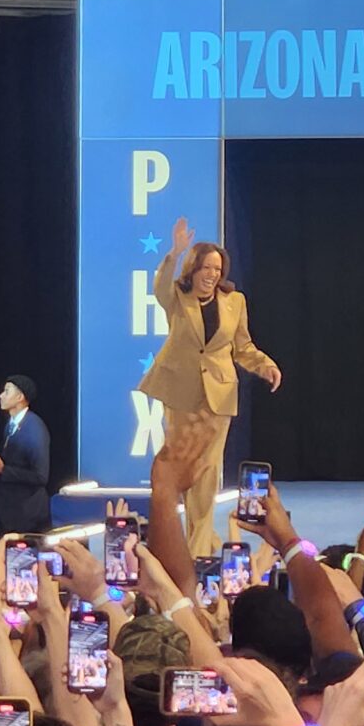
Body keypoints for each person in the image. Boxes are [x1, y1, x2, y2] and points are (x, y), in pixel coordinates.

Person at [139, 218, 281, 554]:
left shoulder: (235, 302)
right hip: (180, 394)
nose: (212, 274)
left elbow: (242, 347)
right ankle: (186, 538)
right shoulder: (177, 295)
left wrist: (265, 365)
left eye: (217, 269)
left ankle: (199, 547)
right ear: (194, 268)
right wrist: (174, 253)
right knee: (180, 468)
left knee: (207, 471)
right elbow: (160, 284)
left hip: (218, 395)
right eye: (205, 267)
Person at [0, 374, 50, 534]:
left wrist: (3, 470)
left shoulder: (34, 428)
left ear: (20, 396)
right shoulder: (10, 424)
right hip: (8, 514)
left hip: (27, 516)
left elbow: (40, 476)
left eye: (7, 391)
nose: (1, 395)